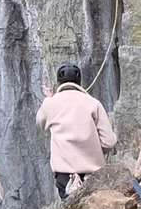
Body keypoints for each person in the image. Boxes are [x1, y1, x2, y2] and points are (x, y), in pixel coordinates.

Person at [36, 62, 116, 199]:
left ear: (58, 82)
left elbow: (40, 124)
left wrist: (49, 100)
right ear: (79, 81)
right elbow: (109, 142)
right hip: (94, 176)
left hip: (65, 177)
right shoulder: (93, 103)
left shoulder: (50, 104)